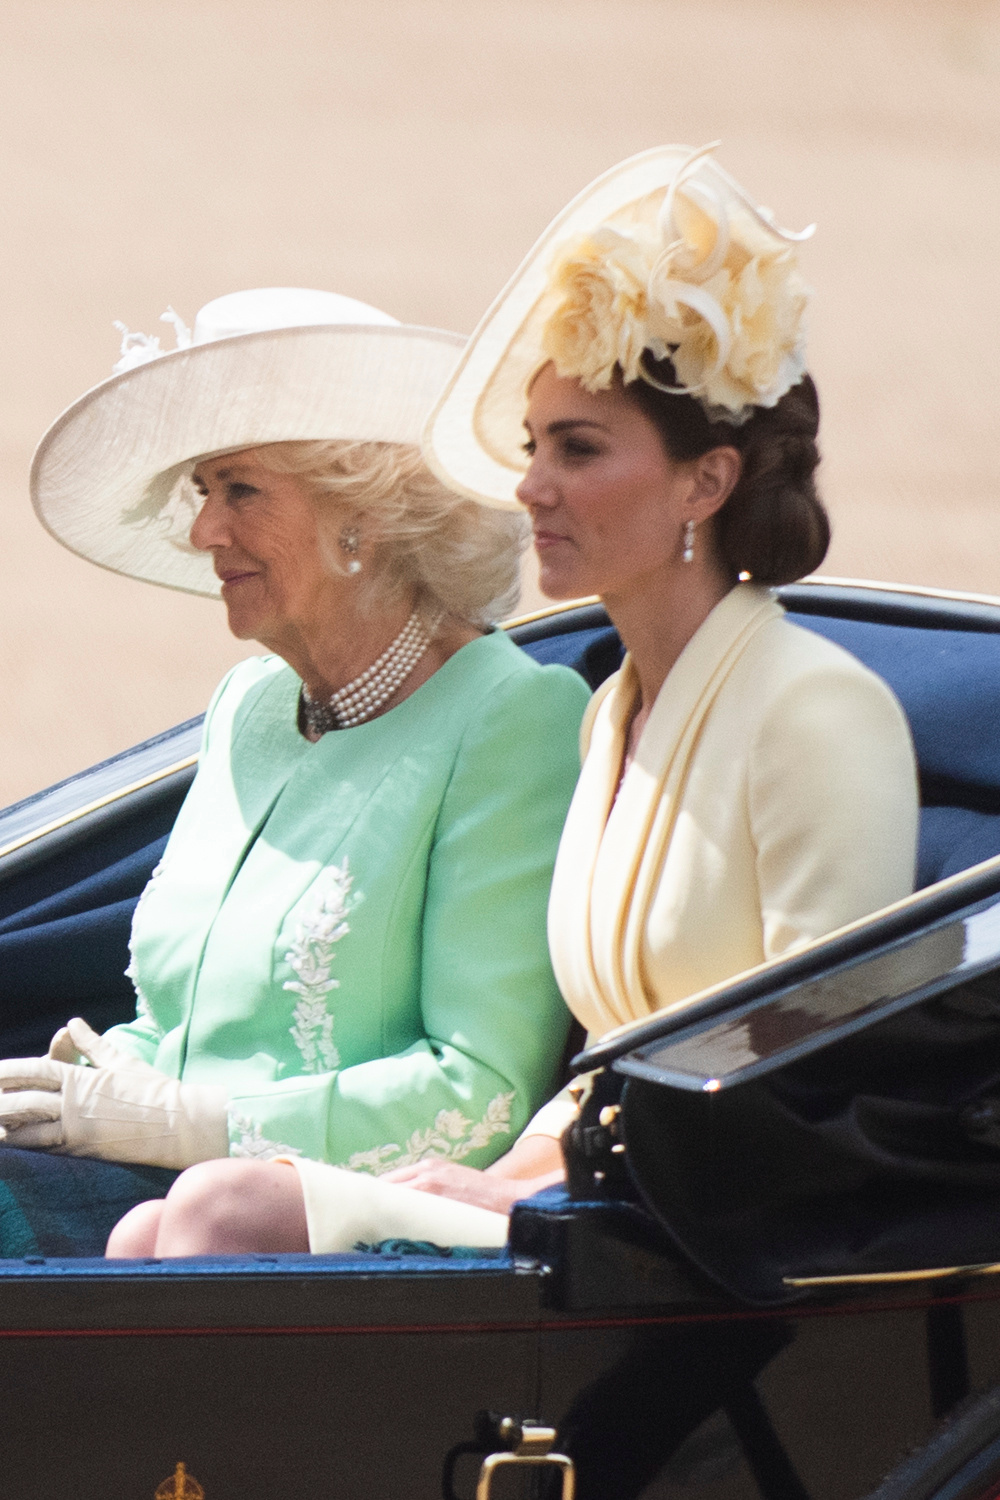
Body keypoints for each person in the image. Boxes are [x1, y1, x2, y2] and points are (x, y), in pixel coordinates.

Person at [106, 148, 919, 1260]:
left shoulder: (817, 710)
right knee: (145, 1232)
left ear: (705, 482)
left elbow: (809, 1085)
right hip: (585, 1196)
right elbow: (601, 1059)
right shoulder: (614, 711)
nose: (529, 485)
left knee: (210, 1213)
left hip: (707, 1244)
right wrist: (513, 1173)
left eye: (576, 451)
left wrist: (533, 1188)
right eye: (534, 448)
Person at [0, 287, 590, 1257]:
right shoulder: (252, 707)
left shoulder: (511, 717)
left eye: (240, 491)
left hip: (332, 1226)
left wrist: (194, 1127)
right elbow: (182, 1028)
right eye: (203, 492)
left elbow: (479, 1090)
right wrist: (84, 1085)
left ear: (358, 515)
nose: (203, 532)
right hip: (153, 1195)